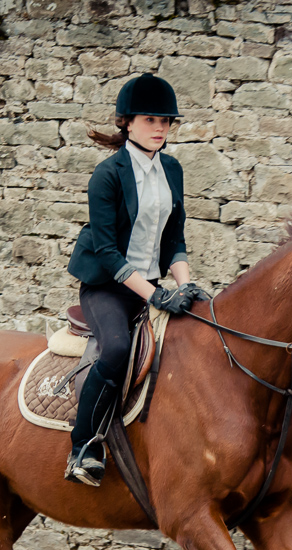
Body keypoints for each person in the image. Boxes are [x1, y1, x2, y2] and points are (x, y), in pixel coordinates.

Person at [64, 74, 206, 486]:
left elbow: (174, 238)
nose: (160, 128)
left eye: (166, 121)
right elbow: (108, 254)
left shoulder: (172, 171)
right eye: (150, 119)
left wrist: (184, 286)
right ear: (127, 122)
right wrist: (156, 295)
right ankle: (83, 447)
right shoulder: (107, 175)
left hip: (154, 287)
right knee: (117, 349)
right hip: (108, 288)